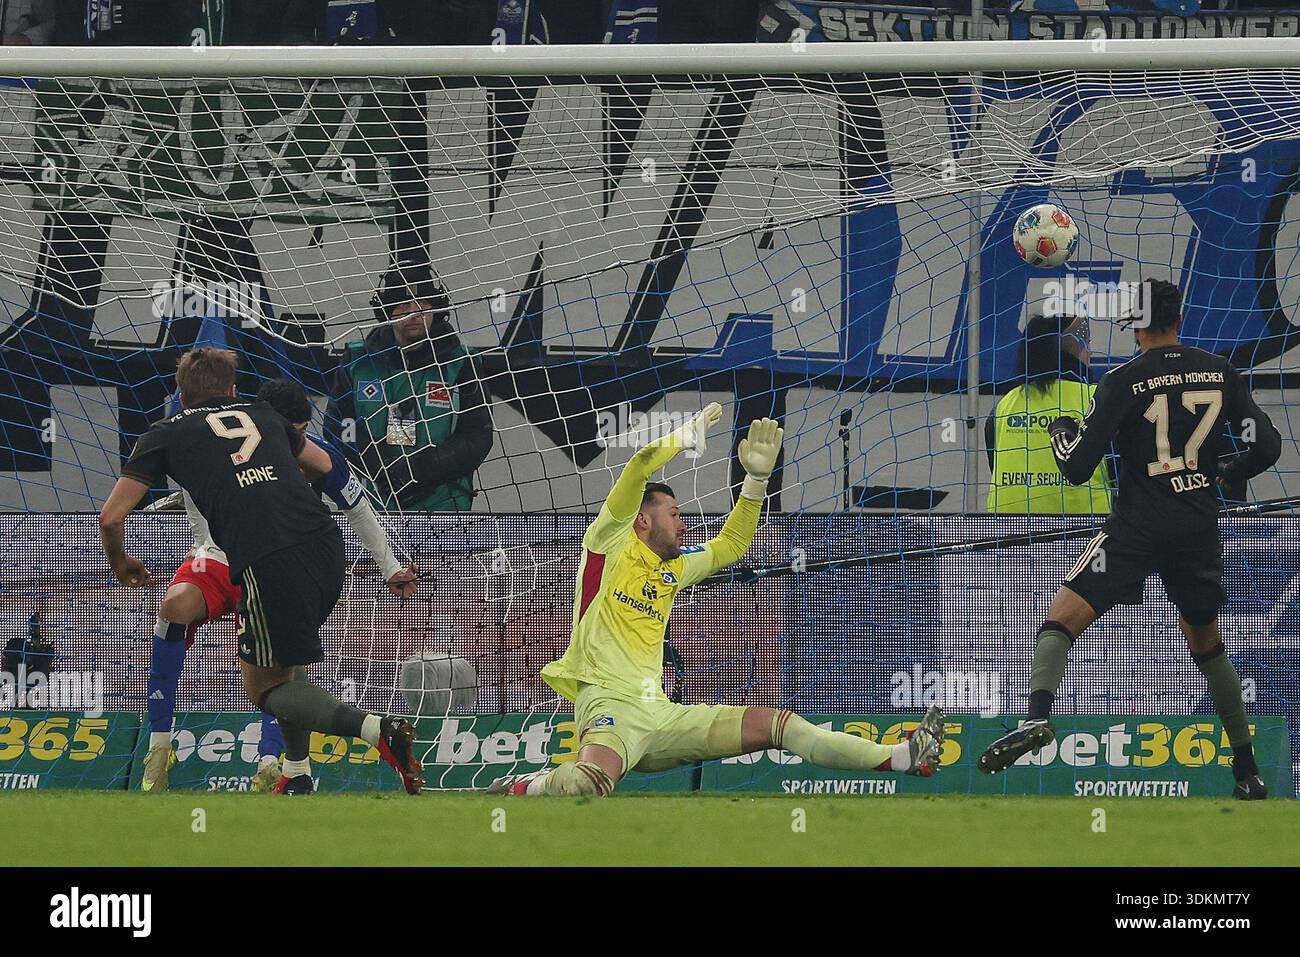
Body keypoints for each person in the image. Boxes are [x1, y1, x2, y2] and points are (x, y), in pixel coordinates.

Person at [487, 405, 945, 797]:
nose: (684, 525)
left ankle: (903, 757)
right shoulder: (607, 546)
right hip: (610, 704)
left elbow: (730, 547)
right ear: (643, 520)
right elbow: (641, 464)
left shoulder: (672, 570)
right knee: (590, 783)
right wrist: (680, 437)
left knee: (780, 724)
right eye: (675, 514)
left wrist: (757, 480)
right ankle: (525, 787)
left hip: (662, 713)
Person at [978, 280, 1282, 800]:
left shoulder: (1122, 381)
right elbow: (1269, 445)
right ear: (1178, 317)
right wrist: (1229, 471)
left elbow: (1077, 468)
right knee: (1208, 650)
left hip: (1137, 529)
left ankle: (1036, 717)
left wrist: (1062, 432)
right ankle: (1247, 771)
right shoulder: (1220, 371)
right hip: (1196, 526)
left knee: (1060, 621)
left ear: (1136, 324)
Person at [99, 347, 424, 796]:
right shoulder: (266, 418)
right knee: (284, 662)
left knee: (264, 689)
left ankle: (376, 729)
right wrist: (388, 565)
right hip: (326, 547)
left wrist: (121, 562)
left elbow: (110, 518)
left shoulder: (165, 433)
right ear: (233, 390)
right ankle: (295, 772)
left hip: (267, 559)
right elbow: (330, 469)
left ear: (179, 392)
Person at [326, 261, 493, 511]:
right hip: (371, 505)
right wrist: (379, 468)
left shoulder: (462, 363)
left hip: (444, 506)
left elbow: (478, 435)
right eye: (403, 304)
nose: (414, 312)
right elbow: (337, 427)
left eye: (423, 304)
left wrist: (420, 469)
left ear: (436, 309)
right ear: (386, 310)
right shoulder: (357, 362)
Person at [986, 312, 1111, 514]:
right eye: (1087, 344)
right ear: (1074, 350)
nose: (1091, 354)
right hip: (1084, 528)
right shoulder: (1095, 398)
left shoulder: (1004, 405)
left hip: (1006, 530)